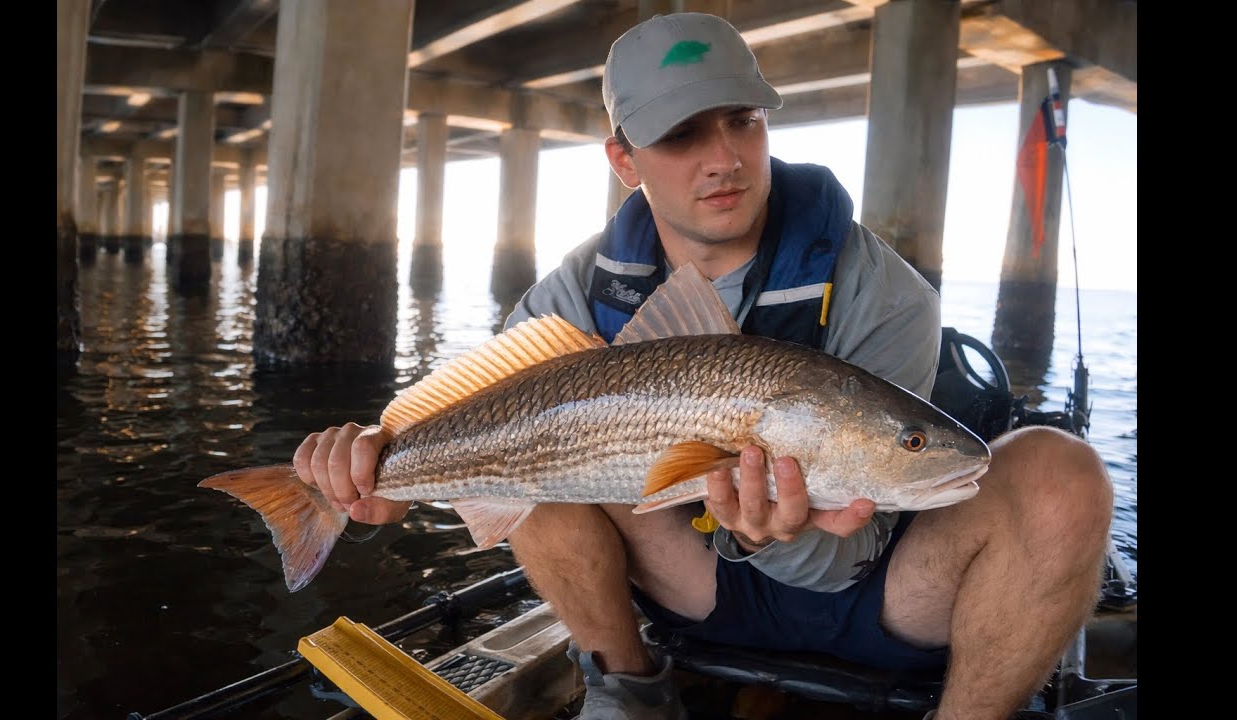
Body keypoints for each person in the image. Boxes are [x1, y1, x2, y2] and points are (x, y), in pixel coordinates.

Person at [292, 12, 1113, 720]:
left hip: (879, 591)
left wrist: (777, 529)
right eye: (681, 135)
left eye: (742, 120)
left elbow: (839, 557)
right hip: (688, 587)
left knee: (1064, 471)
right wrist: (383, 471)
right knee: (537, 455)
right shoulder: (574, 293)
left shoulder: (886, 292)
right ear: (624, 161)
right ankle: (629, 688)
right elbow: (492, 425)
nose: (724, 157)